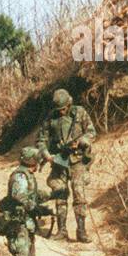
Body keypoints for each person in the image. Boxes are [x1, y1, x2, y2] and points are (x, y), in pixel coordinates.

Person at [36, 88, 96, 242]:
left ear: (69, 104)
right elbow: (41, 140)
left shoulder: (80, 113)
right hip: (59, 161)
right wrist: (46, 154)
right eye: (59, 110)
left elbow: (91, 132)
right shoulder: (50, 118)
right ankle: (62, 230)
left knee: (79, 195)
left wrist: (83, 141)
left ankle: (81, 231)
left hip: (78, 161)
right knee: (60, 194)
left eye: (63, 109)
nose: (61, 112)